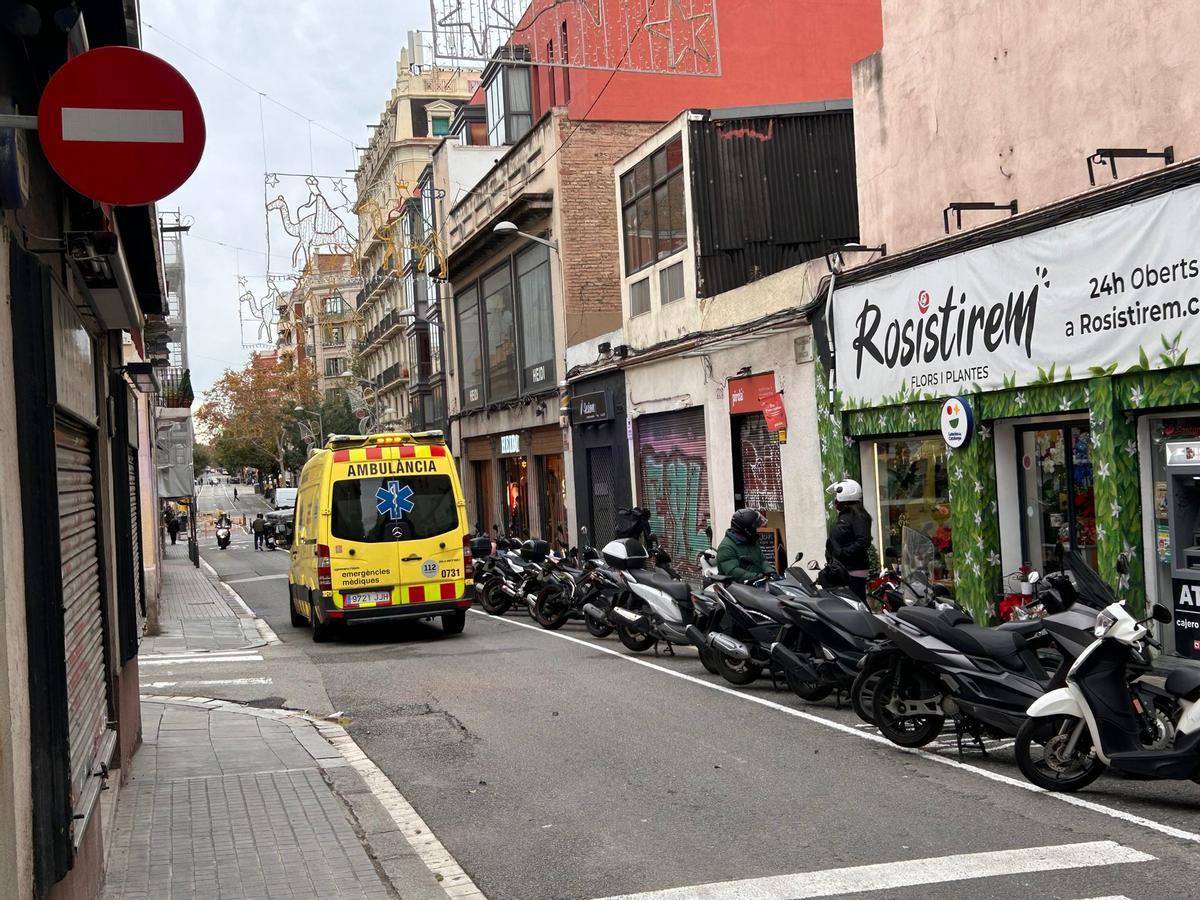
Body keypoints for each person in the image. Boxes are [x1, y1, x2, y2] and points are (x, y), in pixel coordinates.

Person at [827, 479, 874, 600]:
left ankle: (864, 619)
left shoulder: (858, 516)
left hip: (853, 568)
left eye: (836, 497)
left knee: (856, 601)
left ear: (843, 495)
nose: (835, 501)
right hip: (843, 567)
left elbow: (863, 541)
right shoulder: (846, 515)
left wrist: (843, 553)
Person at [716, 508, 774, 584]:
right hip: (736, 587)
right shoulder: (726, 547)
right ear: (747, 529)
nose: (757, 529)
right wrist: (757, 576)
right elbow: (733, 571)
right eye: (755, 526)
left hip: (756, 584)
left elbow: (762, 560)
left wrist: (770, 572)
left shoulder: (751, 541)